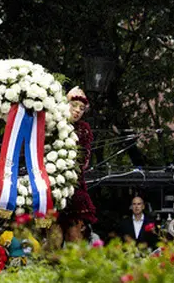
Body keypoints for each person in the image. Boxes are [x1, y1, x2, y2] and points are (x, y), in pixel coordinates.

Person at [58, 86, 98, 243]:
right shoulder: (53, 123)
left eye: (81, 108)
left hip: (74, 185)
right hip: (51, 185)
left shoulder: (83, 129)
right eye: (74, 105)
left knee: (75, 237)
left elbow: (84, 161)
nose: (77, 111)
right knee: (53, 239)